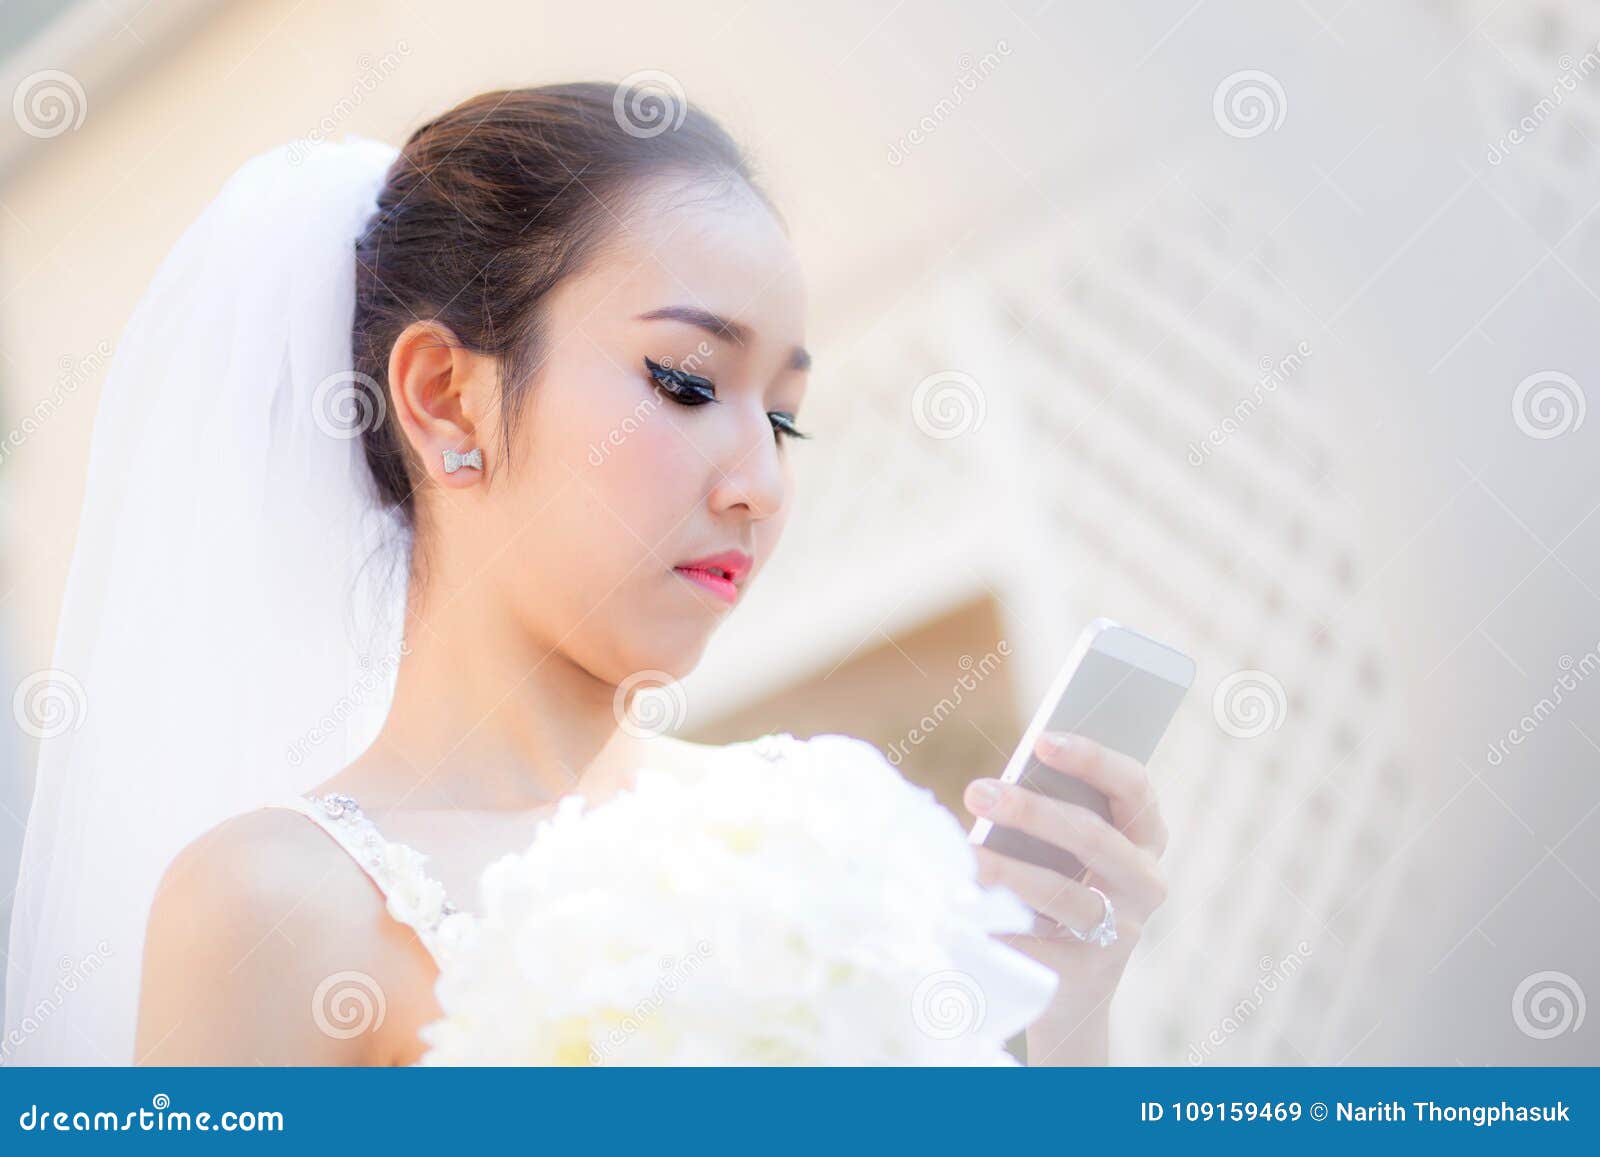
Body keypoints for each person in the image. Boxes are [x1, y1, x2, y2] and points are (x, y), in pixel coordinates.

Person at [4, 83, 1168, 1067]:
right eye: (684, 381)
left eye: (786, 420)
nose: (758, 482)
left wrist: (1059, 1018)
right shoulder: (273, 908)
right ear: (445, 397)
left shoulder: (828, 827)